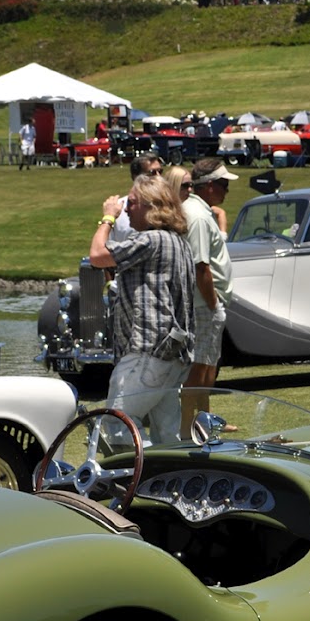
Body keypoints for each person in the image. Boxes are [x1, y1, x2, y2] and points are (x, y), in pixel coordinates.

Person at [89, 173, 194, 445]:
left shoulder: (151, 241)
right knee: (168, 433)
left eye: (132, 202)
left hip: (147, 350)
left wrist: (108, 218)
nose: (125, 208)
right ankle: (172, 481)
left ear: (152, 207)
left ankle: (135, 479)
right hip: (172, 351)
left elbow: (98, 256)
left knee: (116, 423)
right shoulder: (178, 242)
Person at [180, 158, 236, 423]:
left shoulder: (198, 211)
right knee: (201, 369)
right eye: (224, 184)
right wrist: (213, 304)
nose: (227, 190)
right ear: (210, 186)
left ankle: (204, 421)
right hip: (204, 305)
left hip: (203, 303)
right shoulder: (200, 217)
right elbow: (200, 265)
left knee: (206, 367)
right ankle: (187, 428)